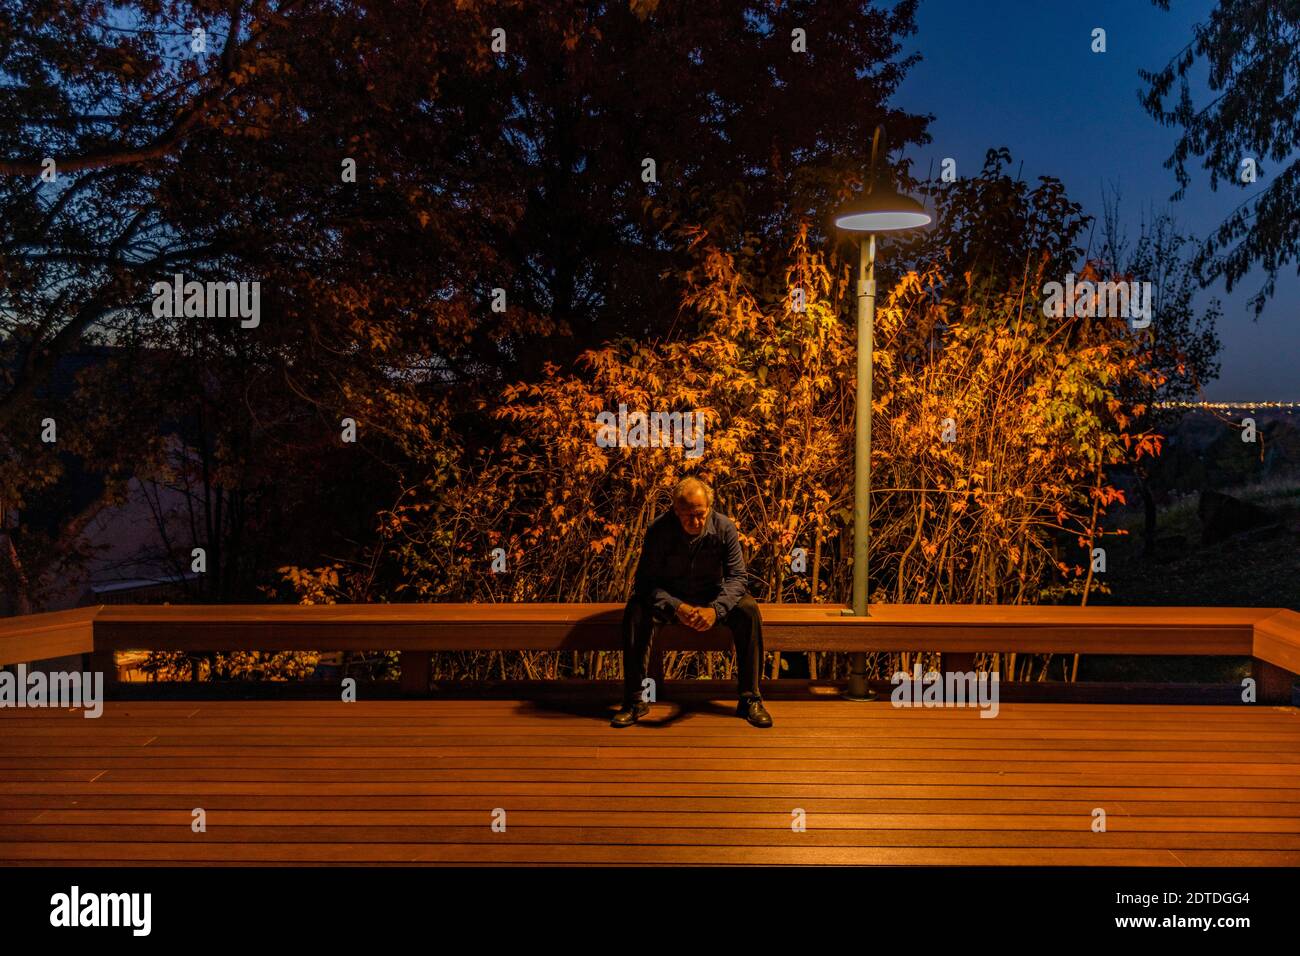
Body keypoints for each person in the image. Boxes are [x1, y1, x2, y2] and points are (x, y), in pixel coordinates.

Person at [611, 476, 772, 728]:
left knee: (749, 609)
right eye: (687, 515)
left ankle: (750, 699)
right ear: (676, 510)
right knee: (636, 610)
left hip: (712, 597)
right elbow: (644, 584)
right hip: (671, 599)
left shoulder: (724, 527)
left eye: (700, 514)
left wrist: (715, 610)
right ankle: (634, 700)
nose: (695, 522)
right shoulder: (658, 530)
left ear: (709, 507)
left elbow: (738, 578)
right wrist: (676, 606)